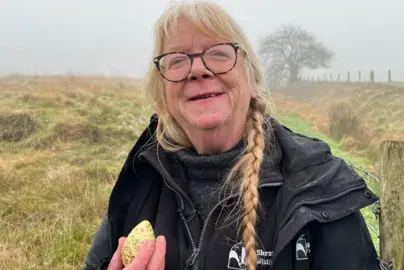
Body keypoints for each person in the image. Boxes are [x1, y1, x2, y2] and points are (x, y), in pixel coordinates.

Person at [83, 1, 380, 269]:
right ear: (161, 96)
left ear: (252, 80)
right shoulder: (139, 182)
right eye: (177, 60)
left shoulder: (317, 187)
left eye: (219, 53)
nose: (197, 70)